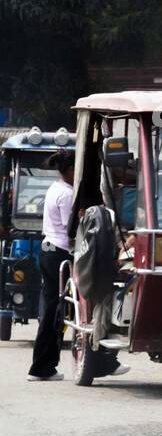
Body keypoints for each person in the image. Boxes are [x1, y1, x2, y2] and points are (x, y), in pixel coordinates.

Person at [27, 151, 75, 381]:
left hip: (48, 249)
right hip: (59, 252)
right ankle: (42, 367)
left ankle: (44, 366)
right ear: (70, 170)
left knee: (52, 308)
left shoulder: (55, 188)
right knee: (55, 311)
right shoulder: (66, 194)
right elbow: (71, 229)